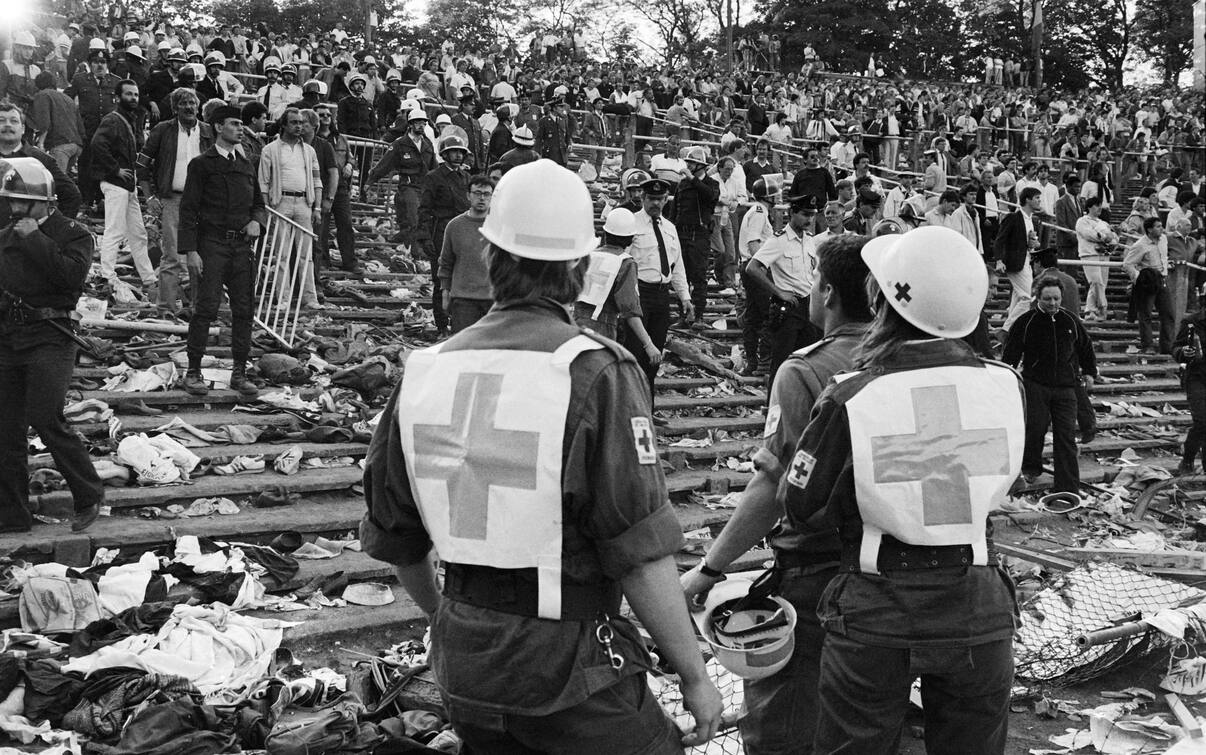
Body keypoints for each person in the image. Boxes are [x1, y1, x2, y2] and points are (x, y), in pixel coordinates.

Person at [359, 158, 722, 753]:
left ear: (490, 254)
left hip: (464, 662)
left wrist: (450, 622)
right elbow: (637, 551)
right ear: (580, 267)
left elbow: (397, 538)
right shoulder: (596, 370)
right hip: (568, 671)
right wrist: (694, 673)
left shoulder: (423, 371)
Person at [780, 225, 1023, 755]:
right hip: (979, 603)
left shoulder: (851, 394)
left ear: (880, 299)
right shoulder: (1007, 383)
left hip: (876, 607)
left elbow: (801, 505)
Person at [681, 234, 874, 754]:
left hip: (818, 567)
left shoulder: (806, 368)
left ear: (828, 292)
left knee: (782, 716)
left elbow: (774, 485)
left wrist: (710, 568)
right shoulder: (912, 360)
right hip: (899, 571)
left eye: (813, 278)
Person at [0, 158, 104, 534]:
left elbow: (71, 277)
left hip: (52, 335)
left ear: (43, 202)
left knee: (45, 416)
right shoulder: (6, 234)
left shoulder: (73, 233)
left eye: (20, 201)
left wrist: (35, 239)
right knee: (5, 428)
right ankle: (12, 513)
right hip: (9, 337)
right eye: (10, 201)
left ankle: (89, 493)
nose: (13, 208)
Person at [178, 105, 265, 399]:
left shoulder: (246, 164)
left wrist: (256, 221)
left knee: (244, 310)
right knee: (205, 309)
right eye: (234, 124)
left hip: (241, 248)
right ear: (217, 127)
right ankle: (193, 372)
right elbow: (188, 210)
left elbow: (258, 204)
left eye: (241, 124)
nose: (240, 129)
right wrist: (190, 250)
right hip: (212, 245)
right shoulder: (202, 164)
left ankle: (239, 372)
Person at [1002, 276, 1097, 493]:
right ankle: (1031, 468)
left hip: (1066, 388)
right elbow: (1011, 353)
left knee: (1066, 436)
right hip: (1036, 385)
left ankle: (1068, 486)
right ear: (1038, 298)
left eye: (1056, 299)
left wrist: (1090, 372)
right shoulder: (1025, 322)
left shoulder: (1071, 320)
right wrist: (1007, 376)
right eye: (1047, 299)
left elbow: (1085, 348)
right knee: (1035, 430)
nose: (1052, 303)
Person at [136, 87, 212, 314]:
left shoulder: (208, 131)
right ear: (175, 107)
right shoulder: (162, 130)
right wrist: (149, 195)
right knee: (170, 256)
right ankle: (166, 308)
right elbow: (142, 165)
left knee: (201, 255)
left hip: (203, 201)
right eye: (184, 103)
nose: (189, 107)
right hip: (173, 199)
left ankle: (198, 308)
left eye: (193, 103)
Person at [625, 177, 694, 396]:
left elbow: (677, 265)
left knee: (655, 356)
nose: (656, 204)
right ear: (643, 198)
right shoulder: (631, 224)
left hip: (662, 296)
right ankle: (631, 407)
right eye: (652, 199)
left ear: (666, 200)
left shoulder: (670, 228)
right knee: (636, 352)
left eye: (661, 199)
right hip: (639, 293)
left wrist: (685, 298)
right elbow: (622, 260)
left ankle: (647, 407)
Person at [746, 194, 822, 384]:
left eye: (812, 215)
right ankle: (773, 409)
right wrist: (778, 291)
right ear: (792, 213)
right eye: (805, 214)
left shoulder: (809, 239)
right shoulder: (779, 240)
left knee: (806, 364)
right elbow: (753, 268)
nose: (809, 219)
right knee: (781, 365)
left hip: (808, 306)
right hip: (788, 308)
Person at [91, 79, 156, 295]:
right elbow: (97, 145)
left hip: (127, 186)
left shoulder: (130, 119)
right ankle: (107, 274)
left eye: (136, 94)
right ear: (118, 98)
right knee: (115, 230)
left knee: (138, 233)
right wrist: (114, 170)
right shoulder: (112, 119)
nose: (134, 98)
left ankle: (148, 277)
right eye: (129, 94)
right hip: (115, 183)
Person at [574, 207, 660, 365]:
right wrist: (648, 344)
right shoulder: (625, 263)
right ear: (630, 238)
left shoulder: (589, 256)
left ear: (606, 233)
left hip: (576, 322)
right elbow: (630, 310)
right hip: (603, 327)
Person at [258, 107, 324, 311]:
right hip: (281, 203)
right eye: (294, 122)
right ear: (284, 125)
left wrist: (318, 207)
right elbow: (263, 182)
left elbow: (316, 180)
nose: (299, 126)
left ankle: (309, 298)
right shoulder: (270, 149)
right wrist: (267, 206)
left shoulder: (309, 150)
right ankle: (284, 298)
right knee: (282, 254)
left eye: (302, 122)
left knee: (307, 255)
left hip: (305, 203)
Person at [418, 132, 472, 336]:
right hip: (440, 232)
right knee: (441, 281)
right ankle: (441, 325)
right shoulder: (434, 177)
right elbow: (424, 209)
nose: (457, 156)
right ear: (444, 154)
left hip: (464, 233)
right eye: (453, 152)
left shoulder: (466, 177)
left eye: (460, 152)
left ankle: (459, 324)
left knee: (462, 280)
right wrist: (424, 237)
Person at [365, 108, 435, 248]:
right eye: (418, 122)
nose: (421, 125)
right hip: (408, 186)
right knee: (414, 219)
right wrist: (369, 182)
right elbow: (384, 165)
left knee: (422, 220)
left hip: (424, 187)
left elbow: (434, 167)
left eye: (423, 123)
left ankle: (413, 249)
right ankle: (416, 253)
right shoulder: (400, 144)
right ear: (410, 124)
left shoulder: (428, 145)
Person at [0, 101, 81, 221]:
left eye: (14, 121)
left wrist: (51, 230)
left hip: (24, 236)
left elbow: (71, 196)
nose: (8, 125)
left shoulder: (40, 160)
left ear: (23, 129)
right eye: (1, 120)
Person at [669, 146, 720, 325]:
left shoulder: (712, 184)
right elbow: (675, 209)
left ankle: (698, 316)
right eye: (688, 163)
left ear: (700, 166)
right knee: (681, 276)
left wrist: (692, 180)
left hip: (699, 235)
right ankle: (683, 316)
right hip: (682, 234)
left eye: (692, 163)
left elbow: (709, 196)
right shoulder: (682, 184)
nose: (688, 166)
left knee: (698, 277)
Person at [437, 174, 494, 332]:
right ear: (468, 196)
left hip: (494, 299)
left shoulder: (499, 226)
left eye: (486, 194)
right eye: (477, 193)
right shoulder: (455, 226)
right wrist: (445, 292)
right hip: (463, 300)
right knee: (462, 351)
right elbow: (446, 262)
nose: (481, 198)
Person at [992, 186, 1044, 343]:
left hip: (1026, 261)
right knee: (1029, 297)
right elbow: (1000, 240)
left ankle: (1011, 332)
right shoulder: (1013, 217)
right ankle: (1006, 330)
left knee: (1018, 299)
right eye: (1037, 198)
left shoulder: (1031, 220)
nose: (1039, 201)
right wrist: (999, 260)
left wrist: (1033, 244)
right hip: (1015, 263)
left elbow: (1027, 244)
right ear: (1027, 199)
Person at [313, 102, 357, 273]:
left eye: (328, 115)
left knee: (345, 224)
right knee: (322, 227)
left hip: (341, 188)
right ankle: (323, 261)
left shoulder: (340, 138)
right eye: (321, 114)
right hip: (321, 187)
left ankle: (350, 262)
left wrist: (349, 165)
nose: (325, 118)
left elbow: (351, 157)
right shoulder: (313, 139)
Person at [1123, 217, 1174, 355]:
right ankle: (1148, 345)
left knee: (1168, 314)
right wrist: (1139, 277)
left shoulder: (1163, 239)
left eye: (1161, 226)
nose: (1161, 229)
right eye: (1158, 226)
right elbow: (1127, 264)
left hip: (1162, 279)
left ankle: (1167, 347)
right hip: (1148, 282)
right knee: (1145, 314)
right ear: (1150, 229)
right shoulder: (1140, 245)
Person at [1174, 287, 1206, 475]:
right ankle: (1187, 459)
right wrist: (1183, 353)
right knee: (1202, 421)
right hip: (1196, 377)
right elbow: (1176, 348)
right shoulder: (1191, 323)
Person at [29, 73, 85, 176]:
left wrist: (40, 144)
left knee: (56, 181)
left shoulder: (42, 95)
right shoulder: (68, 98)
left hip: (59, 145)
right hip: (76, 145)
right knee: (65, 180)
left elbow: (44, 122)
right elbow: (80, 125)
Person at [1074, 195, 1117, 321]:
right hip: (1089, 254)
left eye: (1100, 205)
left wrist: (1112, 237)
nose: (1099, 208)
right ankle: (1103, 308)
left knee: (1101, 283)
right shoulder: (1082, 221)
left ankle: (1090, 311)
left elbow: (1114, 238)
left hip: (1104, 255)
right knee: (1096, 281)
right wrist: (1104, 236)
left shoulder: (1103, 222)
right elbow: (1089, 234)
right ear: (1089, 207)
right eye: (1096, 205)